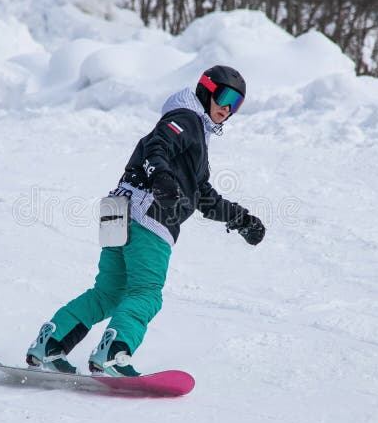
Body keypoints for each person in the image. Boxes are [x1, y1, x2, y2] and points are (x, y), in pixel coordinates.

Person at [26, 65, 266, 376]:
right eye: (224, 97)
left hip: (118, 210)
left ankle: (51, 343)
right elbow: (158, 146)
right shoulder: (187, 119)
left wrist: (241, 218)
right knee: (146, 293)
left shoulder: (194, 131)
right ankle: (114, 353)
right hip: (149, 215)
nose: (227, 108)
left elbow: (202, 194)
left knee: (108, 292)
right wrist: (161, 176)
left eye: (237, 103)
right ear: (205, 90)